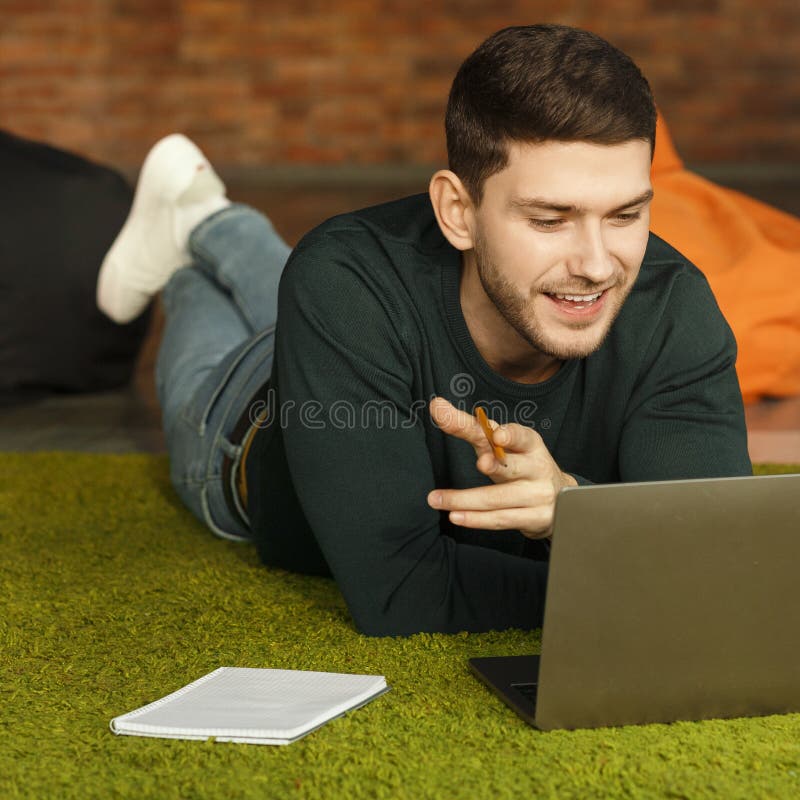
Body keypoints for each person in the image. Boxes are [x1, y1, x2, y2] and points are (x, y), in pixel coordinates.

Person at [97, 24, 752, 637]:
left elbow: (717, 565)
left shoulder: (674, 304)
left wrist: (571, 510)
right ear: (458, 212)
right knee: (203, 289)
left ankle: (201, 218)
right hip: (240, 421)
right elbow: (398, 588)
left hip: (354, 343)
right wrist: (611, 556)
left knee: (304, 297)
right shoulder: (342, 283)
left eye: (625, 214)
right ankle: (185, 249)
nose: (596, 265)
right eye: (550, 220)